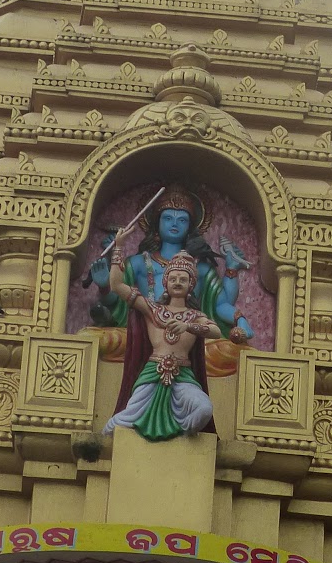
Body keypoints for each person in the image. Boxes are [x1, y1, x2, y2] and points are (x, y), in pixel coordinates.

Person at [74, 247, 220, 460]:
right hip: (153, 373)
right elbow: (117, 286)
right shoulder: (153, 310)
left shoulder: (194, 316)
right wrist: (118, 248)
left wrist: (188, 326)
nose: (177, 282)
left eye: (183, 279)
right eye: (173, 278)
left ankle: (180, 438)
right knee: (121, 421)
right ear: (165, 283)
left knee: (204, 409)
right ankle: (101, 451)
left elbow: (215, 331)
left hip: (183, 377)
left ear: (191, 285)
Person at [87, 186, 253, 343]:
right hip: (148, 333)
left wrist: (240, 318)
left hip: (189, 338)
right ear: (157, 223)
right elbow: (117, 298)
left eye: (182, 220)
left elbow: (221, 304)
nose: (175, 224)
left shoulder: (200, 268)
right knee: (106, 338)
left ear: (190, 227)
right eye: (168, 218)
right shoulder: (139, 263)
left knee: (224, 349)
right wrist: (104, 286)